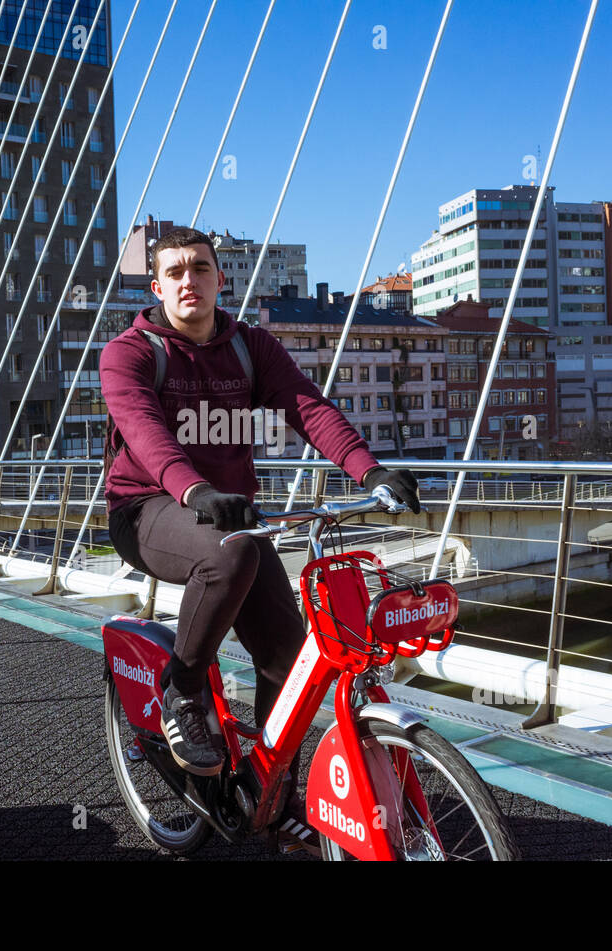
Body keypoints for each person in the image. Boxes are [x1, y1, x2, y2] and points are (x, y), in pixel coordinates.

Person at [101, 227, 419, 778]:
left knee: (289, 661)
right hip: (145, 508)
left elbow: (309, 409)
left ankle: (268, 789)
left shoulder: (252, 347)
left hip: (226, 517)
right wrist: (197, 492)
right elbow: (149, 435)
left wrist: (370, 470)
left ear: (221, 278)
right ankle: (182, 689)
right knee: (228, 557)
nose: (189, 280)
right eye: (174, 272)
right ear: (157, 286)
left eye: (200, 268)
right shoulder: (127, 354)